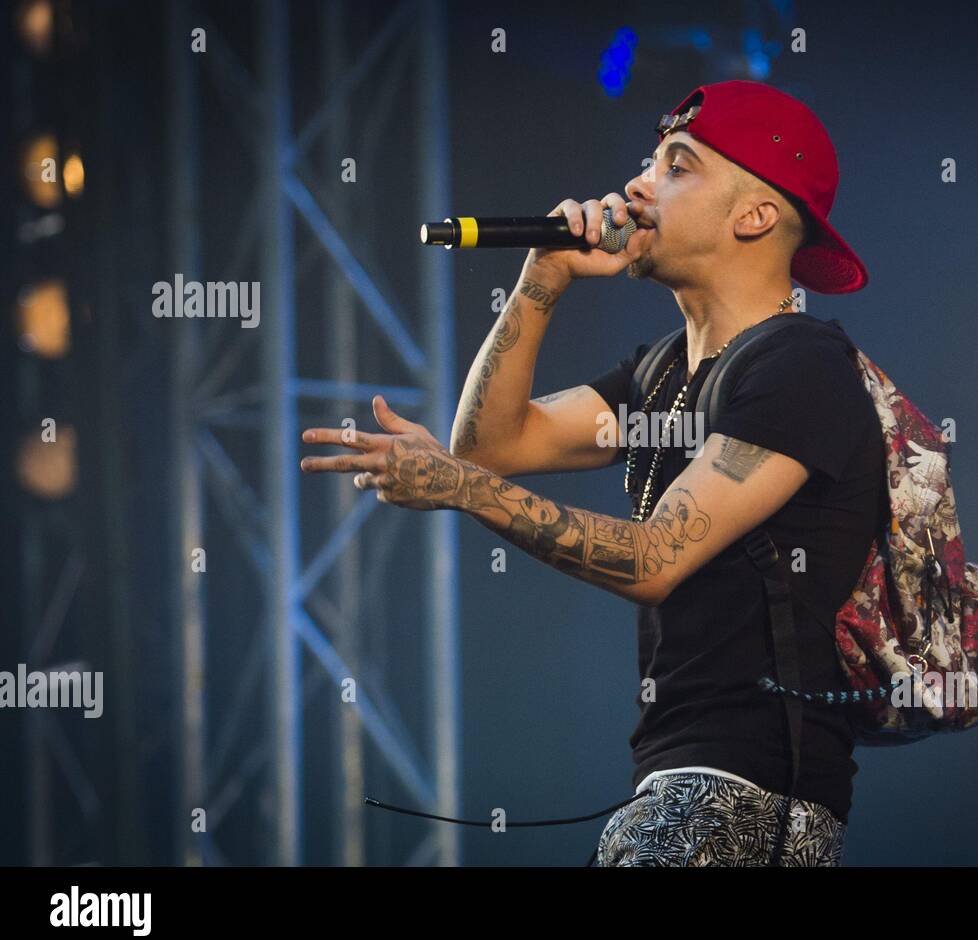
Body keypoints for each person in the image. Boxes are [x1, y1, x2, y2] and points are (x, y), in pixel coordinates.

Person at [300, 79, 885, 866]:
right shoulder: (663, 372)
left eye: (678, 167)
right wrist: (545, 277)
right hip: (677, 780)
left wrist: (457, 488)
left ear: (755, 216)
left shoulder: (801, 367)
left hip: (751, 788)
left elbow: (654, 558)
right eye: (650, 159)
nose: (639, 183)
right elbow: (488, 445)